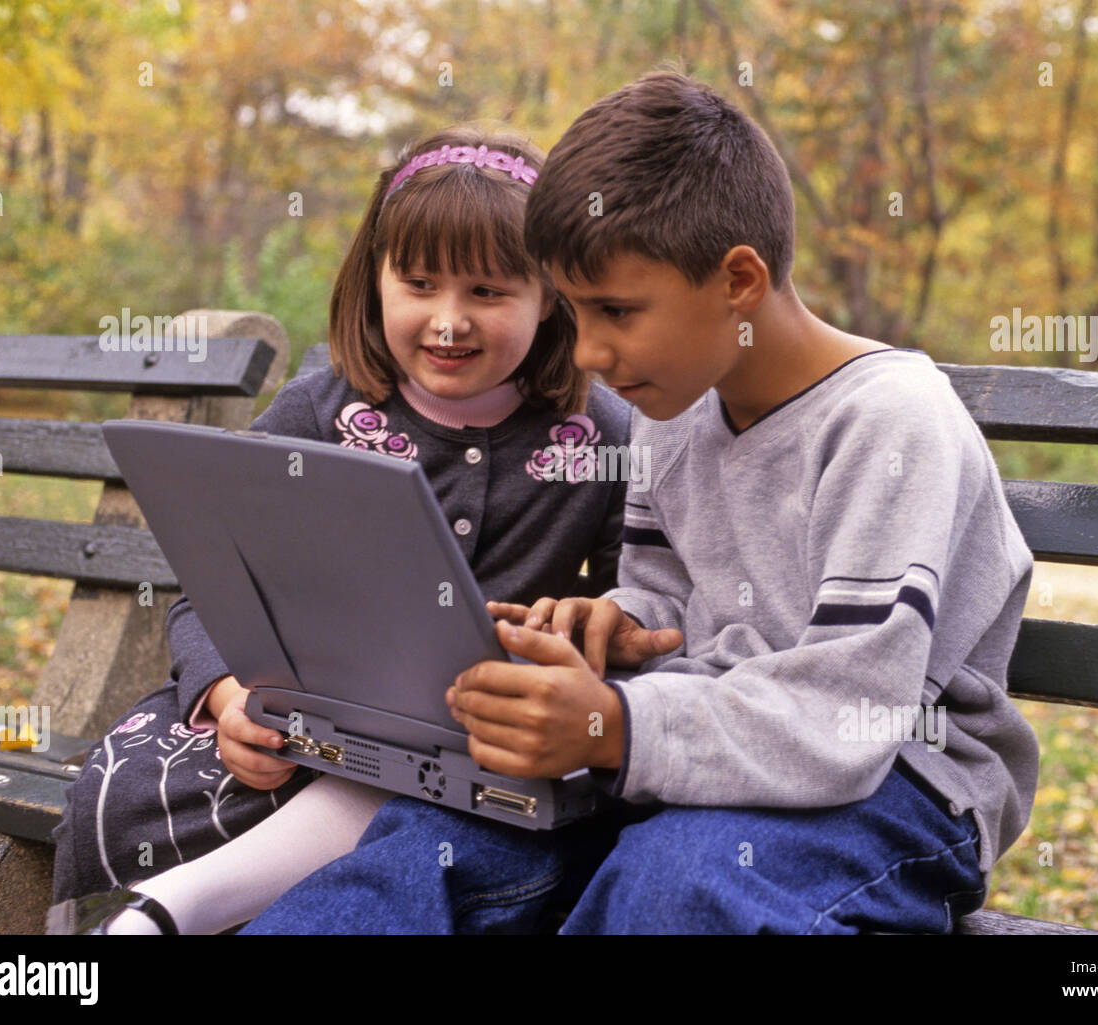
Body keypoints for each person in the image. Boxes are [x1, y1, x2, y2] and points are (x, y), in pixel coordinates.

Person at [237, 69, 1040, 935]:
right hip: (688, 751)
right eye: (575, 313)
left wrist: (612, 722)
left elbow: (850, 713)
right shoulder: (680, 405)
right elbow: (666, 597)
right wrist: (614, 624)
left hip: (897, 781)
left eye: (616, 310)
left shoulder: (889, 423)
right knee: (435, 835)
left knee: (673, 885)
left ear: (738, 280)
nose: (587, 351)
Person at [46, 125, 649, 934]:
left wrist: (597, 632)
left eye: (488, 291)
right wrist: (228, 697)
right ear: (376, 281)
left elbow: (634, 596)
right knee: (150, 788)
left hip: (475, 751)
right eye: (421, 282)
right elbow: (209, 595)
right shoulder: (318, 411)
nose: (448, 320)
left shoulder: (603, 435)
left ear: (549, 298)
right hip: (296, 727)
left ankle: (164, 917)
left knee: (435, 792)